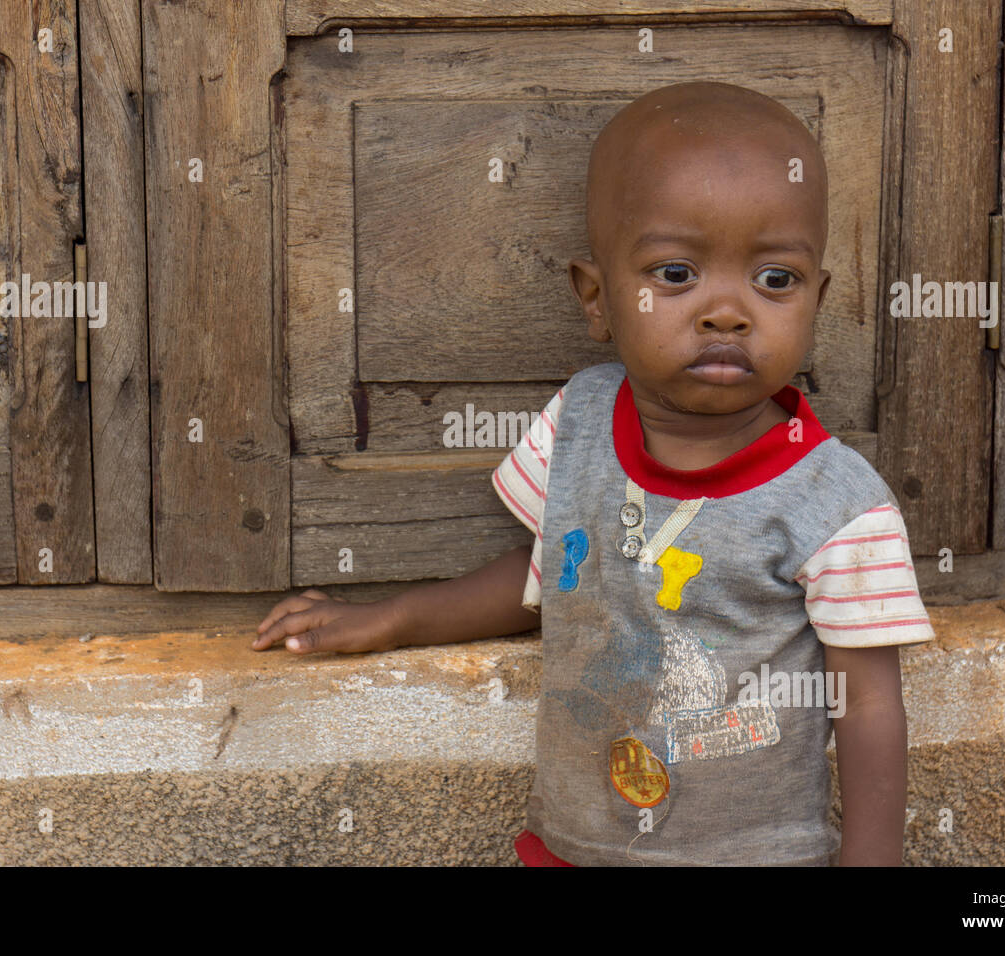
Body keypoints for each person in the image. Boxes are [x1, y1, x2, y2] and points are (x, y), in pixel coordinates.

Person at [253, 80, 934, 866]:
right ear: (597, 298)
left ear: (816, 299)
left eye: (774, 280)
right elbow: (559, 570)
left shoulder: (837, 504)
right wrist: (390, 619)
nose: (727, 311)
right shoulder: (579, 421)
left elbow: (871, 701)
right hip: (573, 847)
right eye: (675, 275)